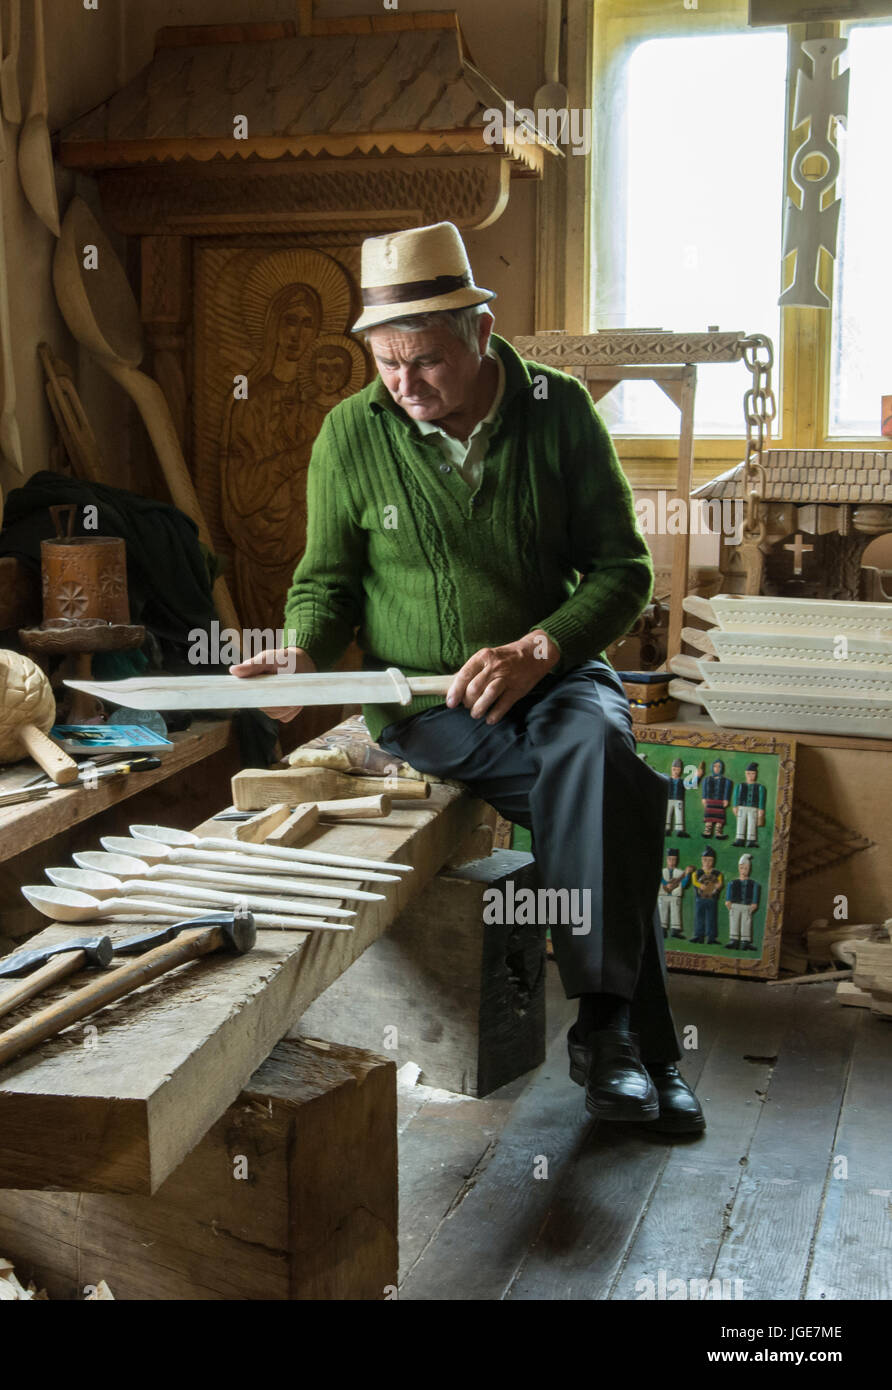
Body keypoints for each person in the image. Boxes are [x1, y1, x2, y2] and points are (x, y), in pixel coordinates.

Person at [231, 221, 704, 1134]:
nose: (406, 385)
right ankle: (640, 1046)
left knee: (595, 749)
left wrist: (539, 649)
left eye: (430, 361)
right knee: (612, 799)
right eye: (387, 363)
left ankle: (607, 1030)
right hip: (425, 702)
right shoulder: (349, 435)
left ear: (483, 333)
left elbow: (624, 572)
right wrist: (301, 651)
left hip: (555, 673)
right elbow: (326, 585)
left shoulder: (558, 410)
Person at [725, 854, 762, 950]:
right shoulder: (733, 882)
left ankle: (745, 941)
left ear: (749, 869)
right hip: (735, 905)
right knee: (734, 921)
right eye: (742, 868)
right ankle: (734, 940)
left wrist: (754, 902)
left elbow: (755, 893)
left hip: (747, 906)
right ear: (739, 868)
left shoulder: (753, 884)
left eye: (746, 868)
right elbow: (729, 891)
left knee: (746, 922)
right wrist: (728, 901)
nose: (744, 870)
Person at [691, 847, 725, 946]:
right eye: (705, 860)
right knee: (699, 916)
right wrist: (700, 885)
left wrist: (717, 886)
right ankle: (699, 935)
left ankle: (711, 937)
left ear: (713, 861)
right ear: (702, 860)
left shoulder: (717, 873)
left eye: (710, 860)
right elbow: (694, 882)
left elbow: (720, 884)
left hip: (712, 898)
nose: (707, 862)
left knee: (711, 917)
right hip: (700, 898)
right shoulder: (697, 873)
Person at [658, 848, 691, 938]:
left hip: (675, 896)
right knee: (662, 912)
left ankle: (675, 931)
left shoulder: (680, 872)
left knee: (676, 912)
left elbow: (683, 884)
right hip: (663, 895)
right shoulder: (662, 871)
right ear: (666, 859)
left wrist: (687, 874)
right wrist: (666, 884)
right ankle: (662, 929)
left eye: (674, 859)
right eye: (670, 859)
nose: (672, 861)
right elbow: (660, 880)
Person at [733, 763, 767, 848]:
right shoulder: (740, 785)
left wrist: (761, 809)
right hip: (741, 807)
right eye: (748, 773)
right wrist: (735, 806)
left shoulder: (760, 787)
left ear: (756, 774)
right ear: (745, 773)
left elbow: (761, 798)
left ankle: (751, 840)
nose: (750, 776)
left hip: (753, 808)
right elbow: (735, 796)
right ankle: (739, 839)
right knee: (741, 822)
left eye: (753, 773)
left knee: (752, 823)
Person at [700, 758, 734, 840]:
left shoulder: (726, 781)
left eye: (719, 767)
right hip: (710, 801)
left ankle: (718, 832)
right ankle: (707, 831)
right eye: (715, 766)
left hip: (720, 801)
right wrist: (704, 797)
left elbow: (727, 790)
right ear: (712, 767)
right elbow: (704, 789)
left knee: (719, 818)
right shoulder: (707, 779)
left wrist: (726, 799)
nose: (717, 768)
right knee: (709, 817)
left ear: (722, 768)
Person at [664, 757, 690, 838]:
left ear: (680, 770)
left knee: (679, 814)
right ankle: (666, 829)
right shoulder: (667, 779)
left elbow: (691, 784)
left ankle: (679, 830)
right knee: (667, 813)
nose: (675, 771)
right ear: (671, 769)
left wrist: (698, 776)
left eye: (677, 769)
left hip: (679, 800)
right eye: (674, 769)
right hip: (669, 799)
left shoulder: (682, 781)